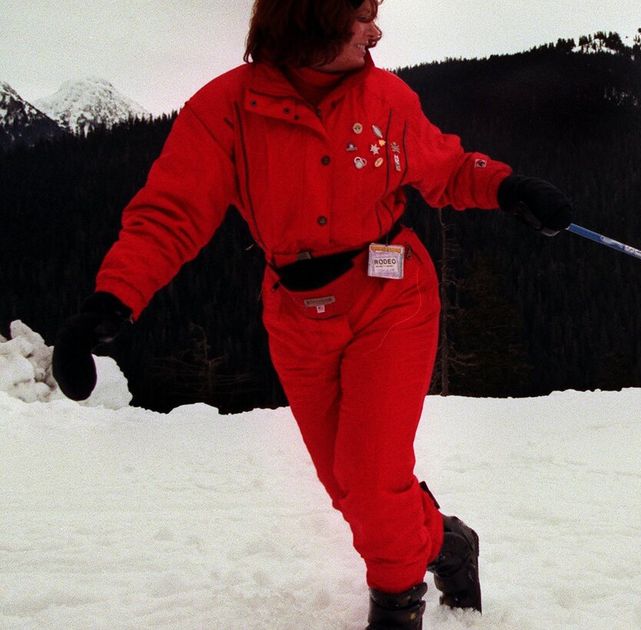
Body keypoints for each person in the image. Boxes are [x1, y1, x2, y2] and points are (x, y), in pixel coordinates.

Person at [50, 1, 573, 628]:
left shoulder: (386, 97)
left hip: (392, 296)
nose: (376, 30)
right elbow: (170, 214)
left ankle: (397, 603)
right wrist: (111, 302)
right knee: (347, 488)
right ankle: (444, 543)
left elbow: (445, 169)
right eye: (362, 15)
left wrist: (508, 188)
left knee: (373, 481)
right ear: (313, 19)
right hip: (299, 315)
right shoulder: (226, 111)